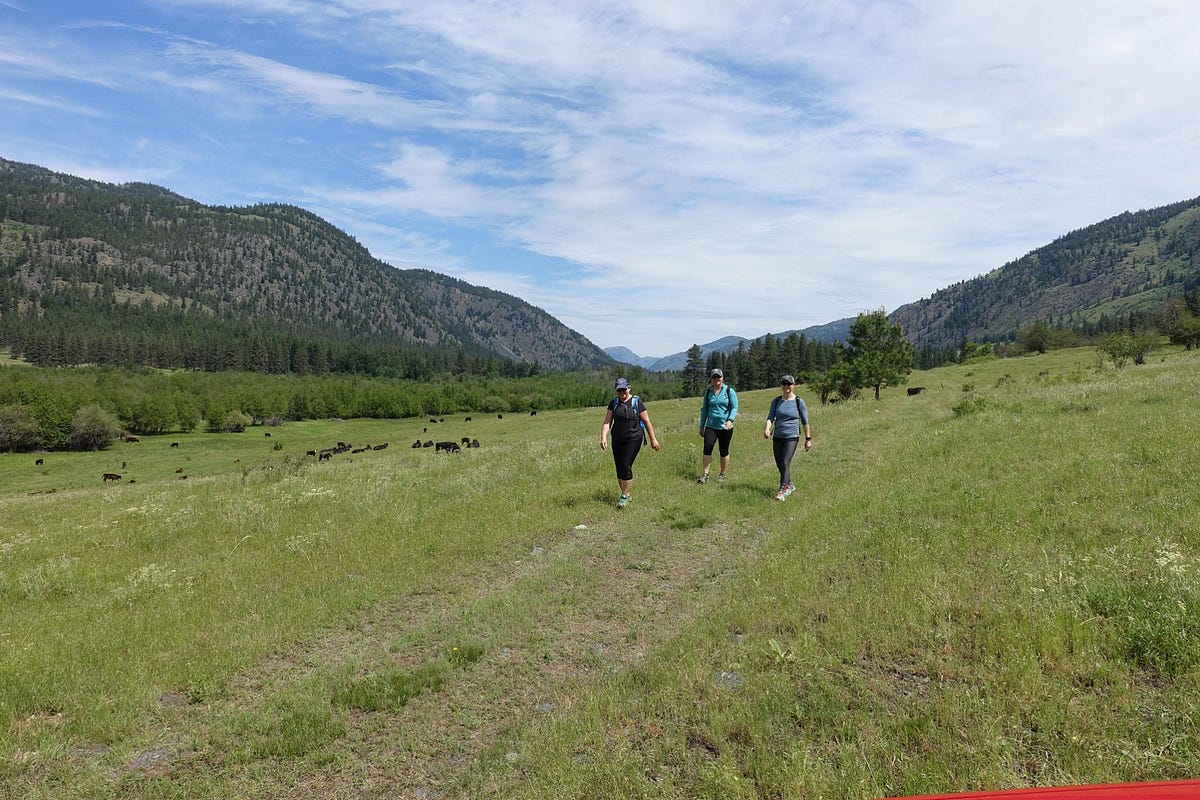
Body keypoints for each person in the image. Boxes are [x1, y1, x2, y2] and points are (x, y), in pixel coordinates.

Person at [600, 377, 660, 508]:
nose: (622, 393)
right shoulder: (614, 403)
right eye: (619, 391)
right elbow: (607, 422)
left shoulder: (636, 403)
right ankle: (626, 493)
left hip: (634, 438)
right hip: (617, 439)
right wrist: (603, 437)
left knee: (626, 465)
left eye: (624, 389)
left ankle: (623, 497)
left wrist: (653, 440)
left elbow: (647, 422)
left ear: (629, 388)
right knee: (619, 468)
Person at [763, 374, 811, 501]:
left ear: (793, 385)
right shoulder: (776, 401)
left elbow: (805, 421)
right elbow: (770, 417)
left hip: (792, 436)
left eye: (789, 384)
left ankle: (782, 490)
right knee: (780, 464)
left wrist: (808, 439)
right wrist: (767, 429)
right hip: (778, 436)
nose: (786, 386)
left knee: (785, 462)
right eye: (784, 384)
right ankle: (789, 484)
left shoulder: (798, 402)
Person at [697, 368, 738, 483]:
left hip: (725, 426)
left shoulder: (729, 391)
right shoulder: (708, 392)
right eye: (714, 377)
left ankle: (722, 474)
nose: (716, 379)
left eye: (718, 377)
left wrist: (730, 420)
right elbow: (705, 409)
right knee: (707, 448)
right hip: (711, 426)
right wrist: (702, 426)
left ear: (722, 378)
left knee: (723, 450)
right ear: (711, 379)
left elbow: (734, 407)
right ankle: (705, 475)